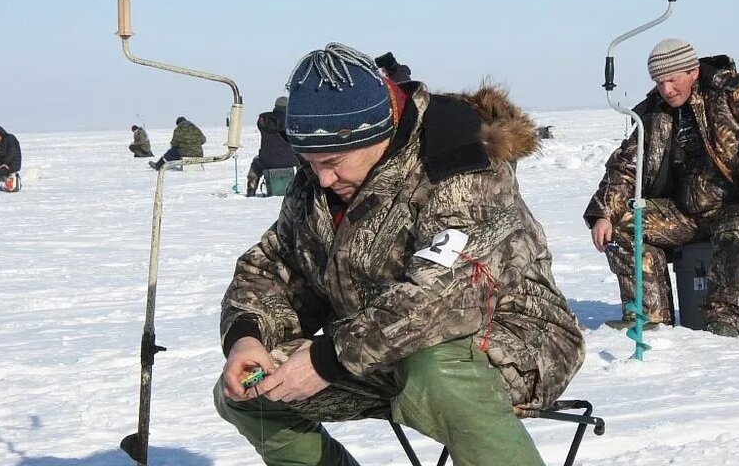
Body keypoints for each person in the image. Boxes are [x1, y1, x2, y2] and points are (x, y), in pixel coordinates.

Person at [214, 43, 584, 466]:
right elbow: (270, 267)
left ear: (380, 131)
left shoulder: (458, 158)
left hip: (511, 338)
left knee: (433, 366)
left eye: (334, 161)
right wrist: (247, 337)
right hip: (370, 349)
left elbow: (442, 299)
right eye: (310, 161)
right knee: (251, 393)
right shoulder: (321, 178)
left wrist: (325, 360)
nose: (322, 176)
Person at [584, 38, 739, 337]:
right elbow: (626, 166)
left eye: (672, 79)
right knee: (625, 222)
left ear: (692, 72)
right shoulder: (653, 112)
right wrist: (604, 213)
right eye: (658, 81)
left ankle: (724, 321)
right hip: (687, 212)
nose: (666, 89)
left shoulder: (731, 89)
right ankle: (648, 317)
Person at [246, 96, 299, 197]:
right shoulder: (291, 120)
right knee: (304, 163)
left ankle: (251, 190)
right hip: (290, 160)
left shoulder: (264, 120)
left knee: (256, 164)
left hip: (266, 160)